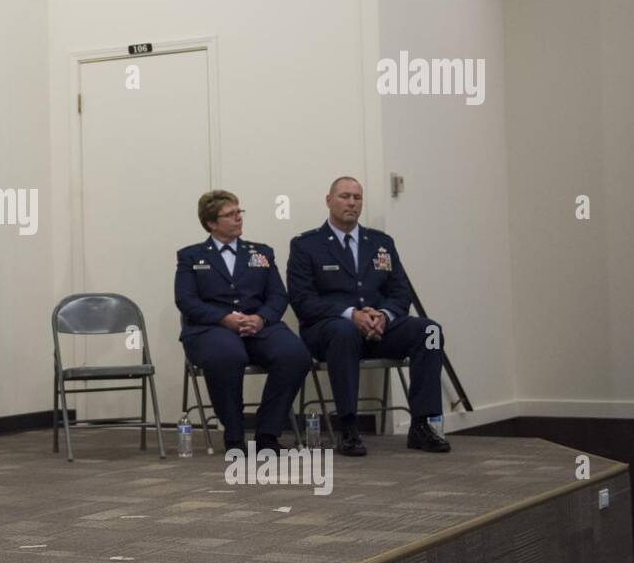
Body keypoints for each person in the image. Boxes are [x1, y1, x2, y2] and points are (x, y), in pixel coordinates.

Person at [286, 176, 451, 456]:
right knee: (344, 331)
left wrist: (384, 315)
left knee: (430, 332)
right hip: (328, 332)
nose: (352, 203)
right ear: (329, 200)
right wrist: (351, 315)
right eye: (345, 196)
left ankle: (423, 423)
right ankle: (348, 427)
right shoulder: (306, 245)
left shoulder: (380, 242)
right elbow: (303, 301)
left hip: (379, 329)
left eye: (357, 198)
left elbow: (400, 293)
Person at [175, 190, 310, 453]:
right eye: (230, 214)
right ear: (211, 223)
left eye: (240, 212)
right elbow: (186, 300)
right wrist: (223, 318)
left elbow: (278, 296)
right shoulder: (191, 256)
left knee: (295, 355)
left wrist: (261, 318)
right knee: (227, 355)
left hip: (259, 326)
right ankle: (234, 436)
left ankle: (267, 433)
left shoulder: (261, 253)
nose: (239, 218)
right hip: (210, 329)